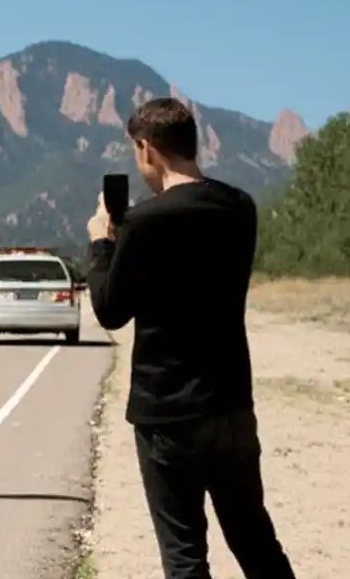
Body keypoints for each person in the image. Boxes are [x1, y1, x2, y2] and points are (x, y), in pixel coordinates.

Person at [85, 98, 296, 579]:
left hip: (167, 414)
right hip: (230, 405)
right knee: (255, 540)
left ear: (146, 150)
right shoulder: (240, 207)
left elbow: (110, 310)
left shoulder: (143, 223)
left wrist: (103, 243)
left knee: (184, 554)